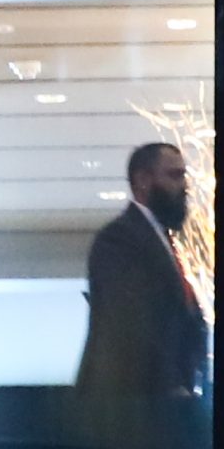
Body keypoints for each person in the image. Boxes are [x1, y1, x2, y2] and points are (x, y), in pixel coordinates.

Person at [75, 140, 208, 398]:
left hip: (161, 398)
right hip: (132, 400)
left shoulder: (163, 241)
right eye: (174, 175)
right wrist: (170, 384)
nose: (184, 186)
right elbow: (129, 321)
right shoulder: (119, 240)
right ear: (144, 180)